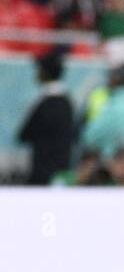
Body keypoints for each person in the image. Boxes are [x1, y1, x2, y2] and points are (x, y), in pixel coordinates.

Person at [19, 51, 75, 185]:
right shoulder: (66, 102)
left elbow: (24, 134)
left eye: (39, 70)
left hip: (43, 175)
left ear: (45, 73)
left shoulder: (47, 103)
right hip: (59, 171)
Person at [80, 64, 124, 160]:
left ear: (118, 79)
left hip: (111, 156)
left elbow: (90, 137)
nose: (109, 79)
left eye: (113, 76)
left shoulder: (116, 102)